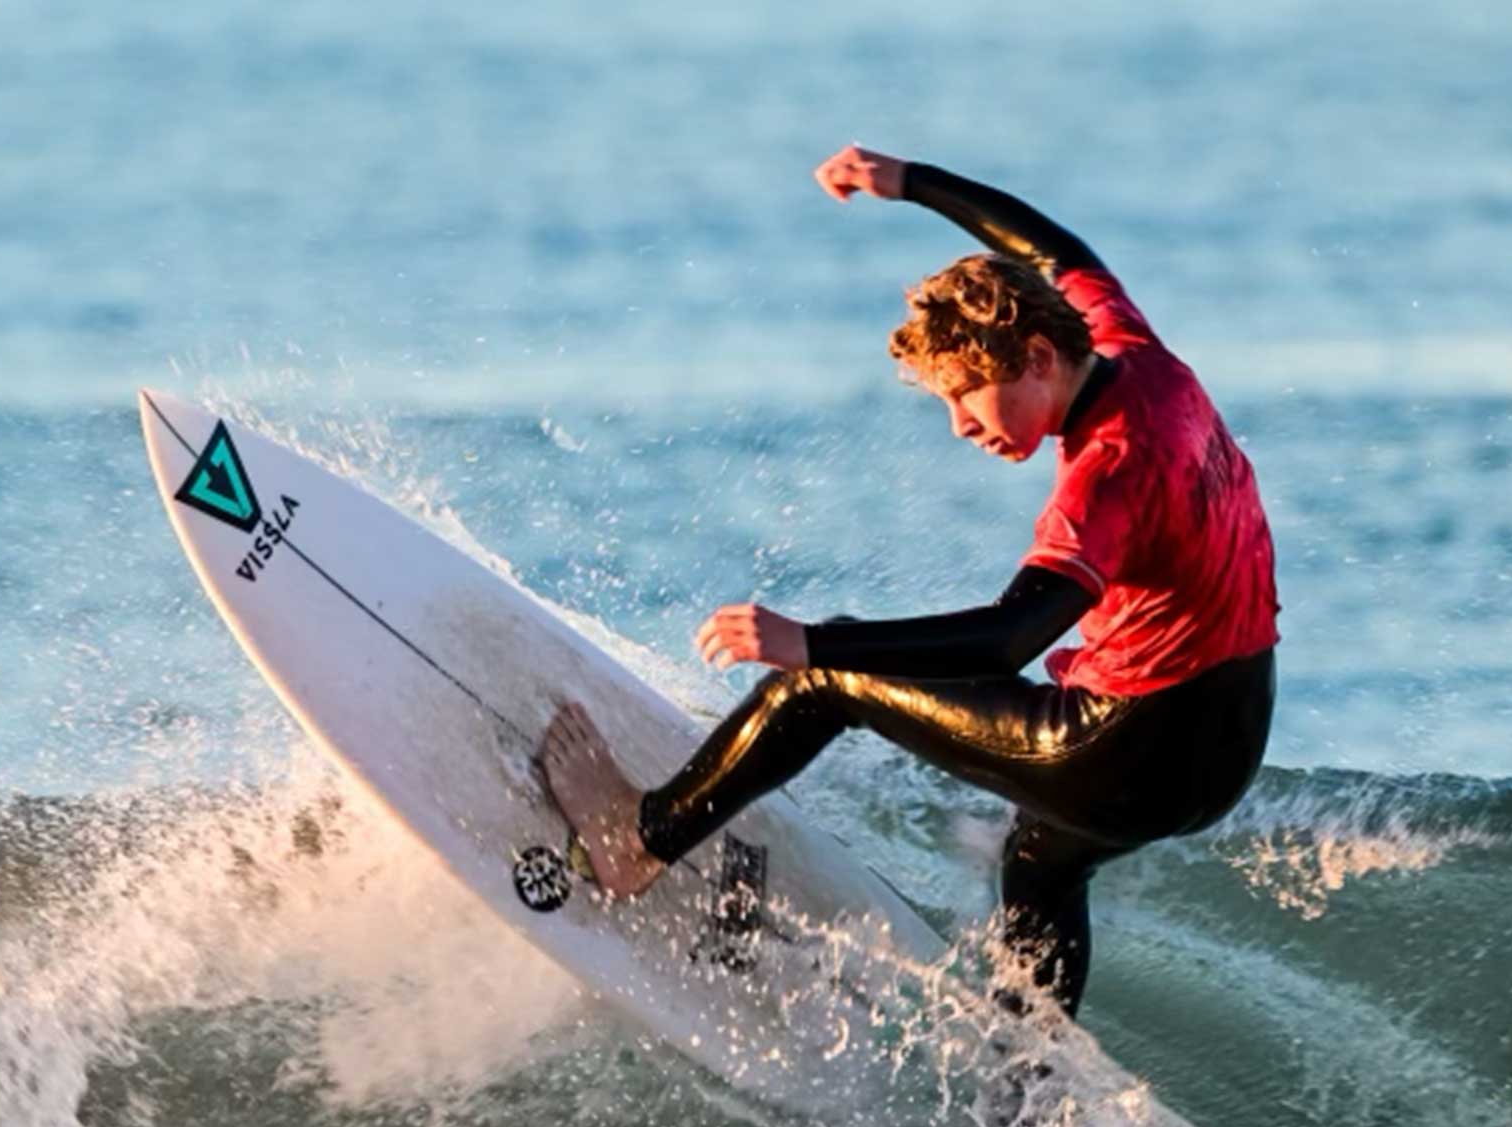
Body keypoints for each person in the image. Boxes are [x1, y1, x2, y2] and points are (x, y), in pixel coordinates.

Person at [540, 144, 1280, 1019]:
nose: (960, 425)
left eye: (967, 396)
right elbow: (1053, 249)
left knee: (824, 682)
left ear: (1038, 357)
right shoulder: (1131, 352)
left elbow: (1011, 637)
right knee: (1041, 860)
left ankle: (641, 840)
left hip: (1127, 749)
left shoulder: (1107, 473)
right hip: (1228, 740)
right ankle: (1027, 1087)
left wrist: (812, 644)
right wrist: (910, 181)